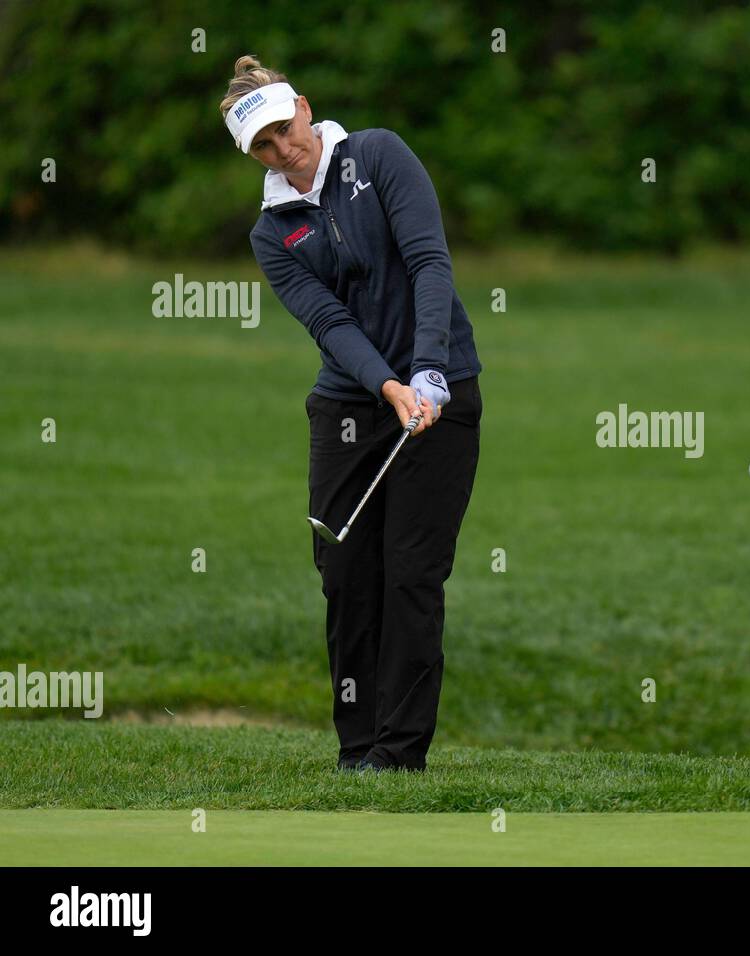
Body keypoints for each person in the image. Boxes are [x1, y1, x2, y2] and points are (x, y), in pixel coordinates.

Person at [218, 55, 483, 773]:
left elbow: (429, 262)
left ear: (303, 107)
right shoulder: (271, 233)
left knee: (411, 576)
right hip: (349, 403)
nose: (282, 149)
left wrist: (428, 367)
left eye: (284, 128)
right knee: (344, 576)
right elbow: (329, 322)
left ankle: (397, 754)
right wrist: (388, 385)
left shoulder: (378, 155)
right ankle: (356, 749)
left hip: (442, 390)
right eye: (262, 145)